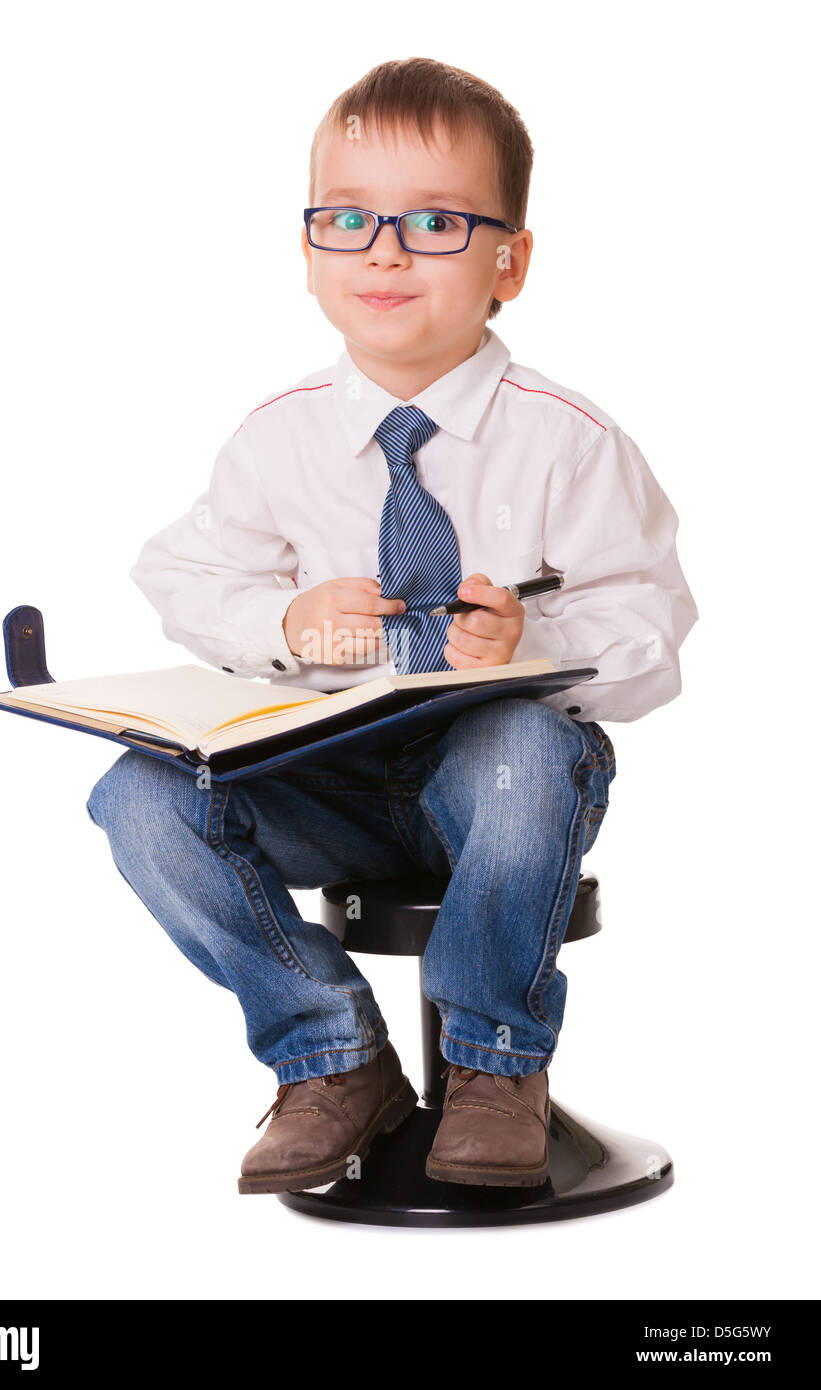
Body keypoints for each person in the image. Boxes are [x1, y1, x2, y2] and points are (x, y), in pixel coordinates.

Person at [86, 56, 698, 1194]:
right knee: (140, 798)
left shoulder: (567, 441)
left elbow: (653, 625)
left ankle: (492, 1061)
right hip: (333, 772)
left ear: (508, 259)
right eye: (349, 218)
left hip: (500, 781)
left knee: (518, 747)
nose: (384, 250)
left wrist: (536, 649)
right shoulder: (278, 439)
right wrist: (285, 617)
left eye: (431, 221)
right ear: (308, 251)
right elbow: (178, 575)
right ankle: (333, 1058)